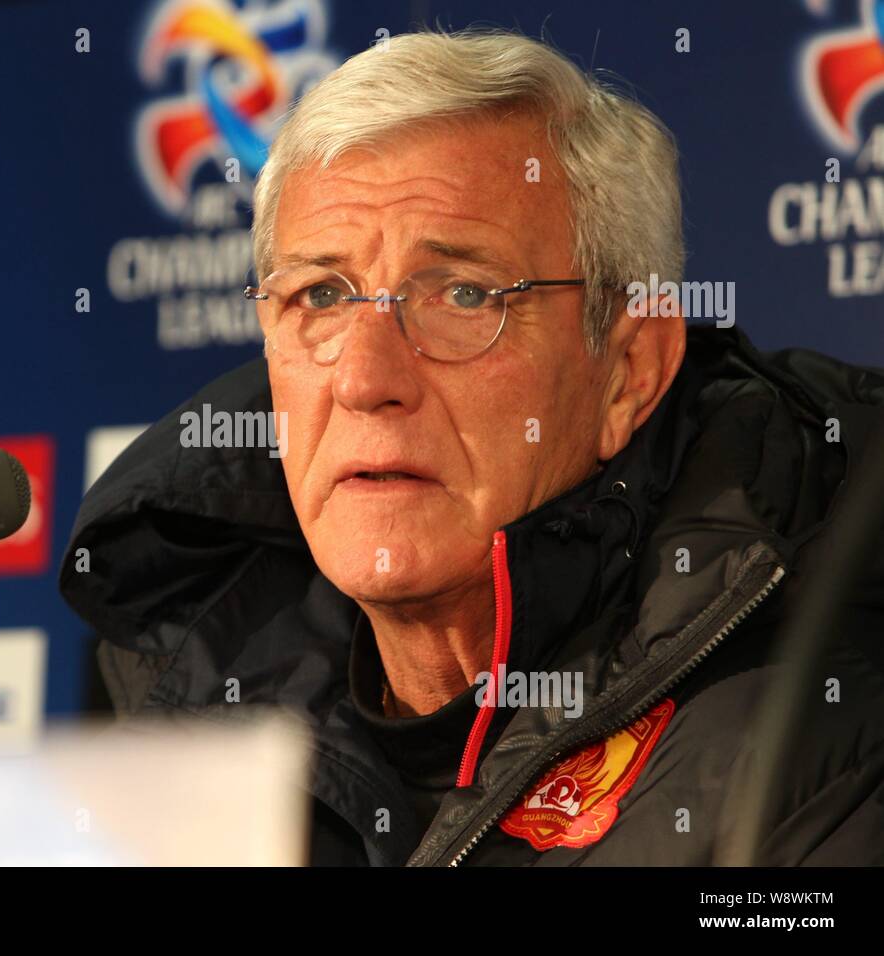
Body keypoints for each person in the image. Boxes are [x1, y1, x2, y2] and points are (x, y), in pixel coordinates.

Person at [60, 29, 884, 865]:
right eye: (321, 294)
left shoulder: (824, 723)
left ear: (628, 371)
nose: (365, 378)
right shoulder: (180, 704)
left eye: (462, 294)